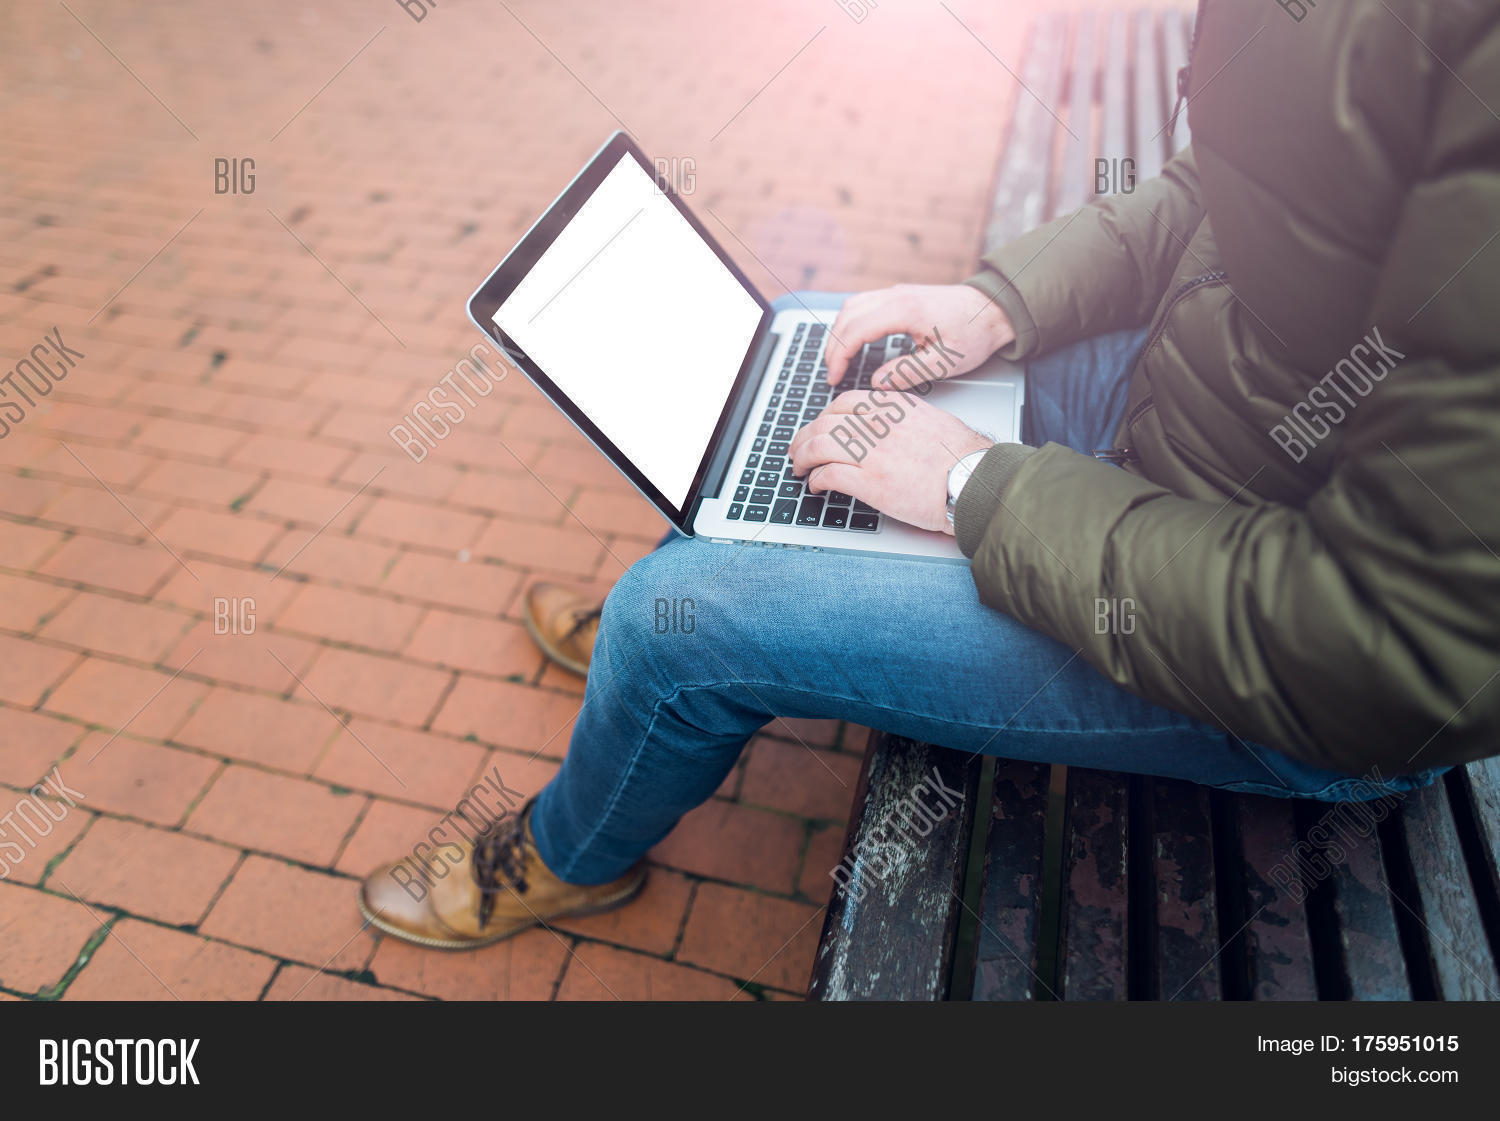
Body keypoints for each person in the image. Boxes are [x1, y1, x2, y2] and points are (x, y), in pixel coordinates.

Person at [359, 0, 1500, 949]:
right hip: (1201, 412)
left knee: (672, 625)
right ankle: (704, 593)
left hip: (1263, 665)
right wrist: (998, 302)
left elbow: (1397, 641)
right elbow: (1222, 196)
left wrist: (973, 489)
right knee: (823, 344)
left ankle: (569, 851)